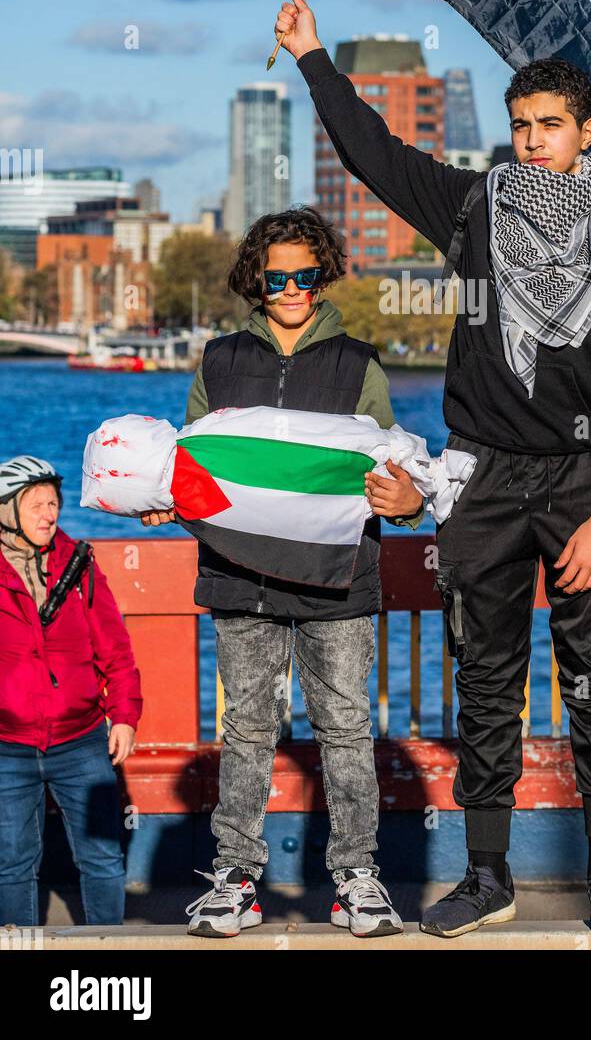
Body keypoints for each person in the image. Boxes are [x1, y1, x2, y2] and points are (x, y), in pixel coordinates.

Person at [273, 0, 591, 940]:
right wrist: (310, 56)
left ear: (586, 132)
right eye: (519, 124)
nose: (531, 140)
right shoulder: (470, 209)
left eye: (550, 125)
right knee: (485, 681)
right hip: (482, 478)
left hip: (588, 488)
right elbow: (375, 157)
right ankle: (486, 873)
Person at [142, 207, 426, 939]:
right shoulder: (217, 360)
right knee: (247, 728)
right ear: (256, 280)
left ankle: (358, 879)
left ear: (322, 273)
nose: (294, 288)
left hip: (338, 578)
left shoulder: (359, 363)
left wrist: (406, 501)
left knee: (345, 728)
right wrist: (164, 500)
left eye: (306, 274)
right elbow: (196, 469)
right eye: (279, 277)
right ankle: (234, 880)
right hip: (243, 577)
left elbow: (395, 473)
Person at [0, 456, 141, 927]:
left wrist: (123, 715)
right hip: (7, 746)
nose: (49, 514)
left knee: (102, 860)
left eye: (54, 503)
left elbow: (115, 648)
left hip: (80, 740)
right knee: (13, 866)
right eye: (35, 504)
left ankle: (109, 956)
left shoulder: (78, 565)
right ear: (6, 511)